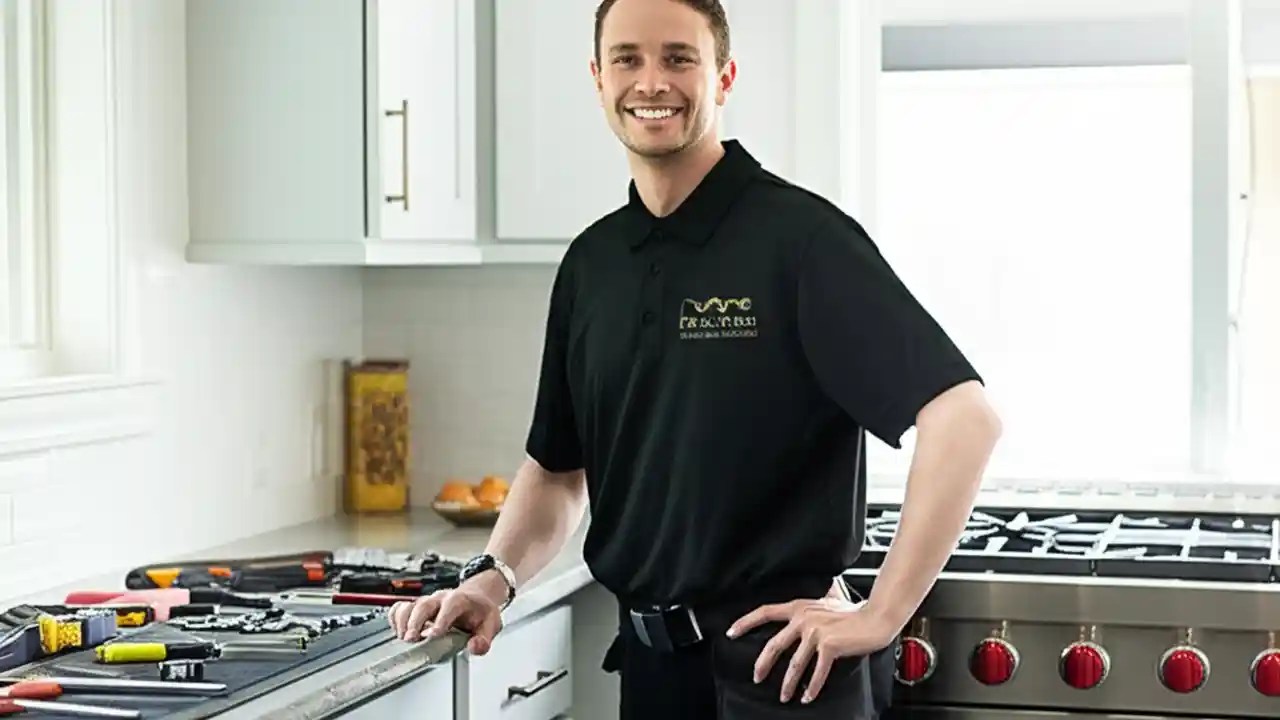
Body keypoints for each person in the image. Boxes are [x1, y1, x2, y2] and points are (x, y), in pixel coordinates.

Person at [388, 0, 1002, 717]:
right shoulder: (592, 265)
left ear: (724, 75)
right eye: (628, 58)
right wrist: (493, 579)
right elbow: (558, 473)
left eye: (679, 58)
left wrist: (882, 614)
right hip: (651, 675)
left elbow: (965, 418)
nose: (651, 82)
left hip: (783, 675)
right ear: (597, 78)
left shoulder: (800, 241)